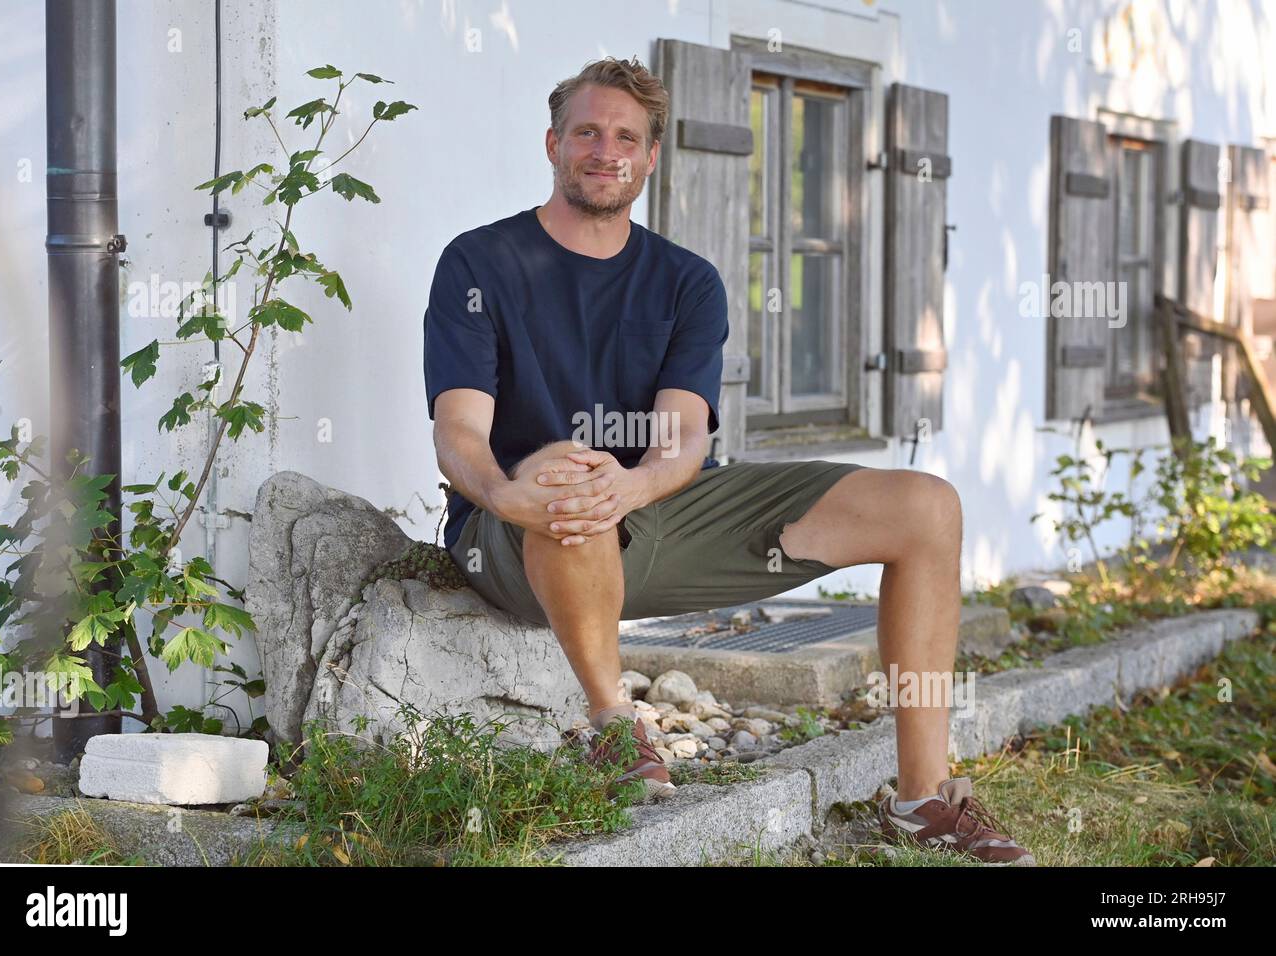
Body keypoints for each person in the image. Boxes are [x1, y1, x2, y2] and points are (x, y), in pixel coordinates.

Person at [423, 55, 1034, 865]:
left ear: (648, 158)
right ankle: (614, 728)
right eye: (588, 132)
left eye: (627, 138)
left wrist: (632, 482)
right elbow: (460, 431)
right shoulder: (479, 264)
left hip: (658, 511)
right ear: (553, 143)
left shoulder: (687, 282)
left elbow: (681, 440)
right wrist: (507, 493)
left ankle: (921, 797)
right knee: (568, 474)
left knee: (927, 506)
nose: (606, 150)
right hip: (514, 534)